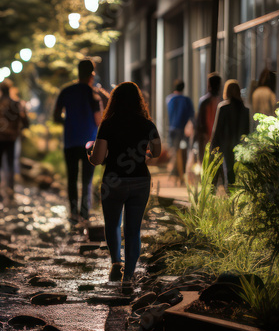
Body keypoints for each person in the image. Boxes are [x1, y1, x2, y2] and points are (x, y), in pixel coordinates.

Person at [88, 82, 161, 290]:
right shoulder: (147, 124)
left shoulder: (108, 124)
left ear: (114, 101)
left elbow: (98, 157)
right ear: (139, 100)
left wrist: (90, 156)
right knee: (133, 230)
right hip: (140, 181)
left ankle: (115, 263)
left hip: (113, 181)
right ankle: (128, 276)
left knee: (112, 224)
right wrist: (144, 153)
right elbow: (156, 152)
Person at [53, 59, 105, 222]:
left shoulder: (66, 91)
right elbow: (99, 121)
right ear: (92, 74)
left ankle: (73, 213)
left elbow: (56, 116)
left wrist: (69, 122)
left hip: (70, 141)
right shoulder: (93, 94)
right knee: (86, 180)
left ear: (78, 72)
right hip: (89, 143)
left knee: (72, 178)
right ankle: (84, 213)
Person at [0, 79, 28, 195]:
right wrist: (18, 131)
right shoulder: (16, 103)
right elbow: (25, 121)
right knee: (10, 161)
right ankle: (10, 185)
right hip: (11, 138)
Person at [210, 79, 250, 190]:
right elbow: (247, 132)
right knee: (239, 175)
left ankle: (230, 196)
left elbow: (217, 131)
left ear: (226, 92)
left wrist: (213, 148)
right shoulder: (246, 110)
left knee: (228, 175)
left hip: (225, 147)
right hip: (241, 148)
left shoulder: (223, 108)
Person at [166, 79, 195, 181]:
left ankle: (175, 174)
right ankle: (180, 173)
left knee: (175, 151)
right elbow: (192, 116)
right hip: (183, 130)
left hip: (172, 128)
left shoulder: (169, 99)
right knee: (184, 152)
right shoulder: (186, 100)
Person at [194, 73, 222, 162]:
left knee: (205, 163)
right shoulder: (221, 102)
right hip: (218, 140)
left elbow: (199, 122)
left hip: (206, 138)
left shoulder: (204, 101)